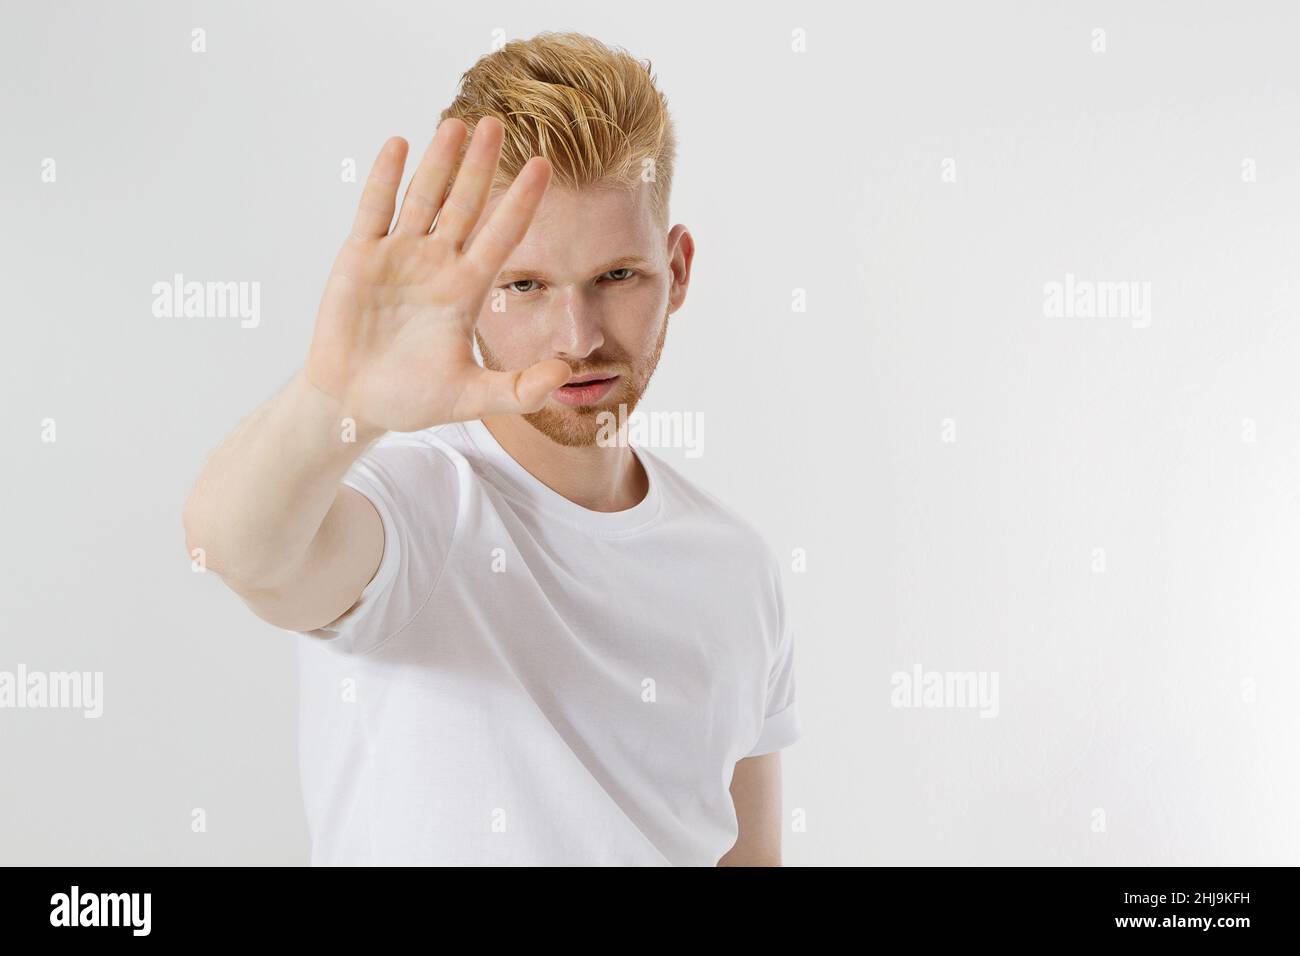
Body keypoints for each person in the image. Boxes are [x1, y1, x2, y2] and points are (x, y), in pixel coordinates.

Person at [182, 31, 801, 866]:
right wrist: (335, 398)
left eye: (617, 277)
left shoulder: (738, 567)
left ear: (678, 269)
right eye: (524, 286)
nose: (577, 338)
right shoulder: (417, 505)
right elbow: (236, 546)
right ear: (470, 289)